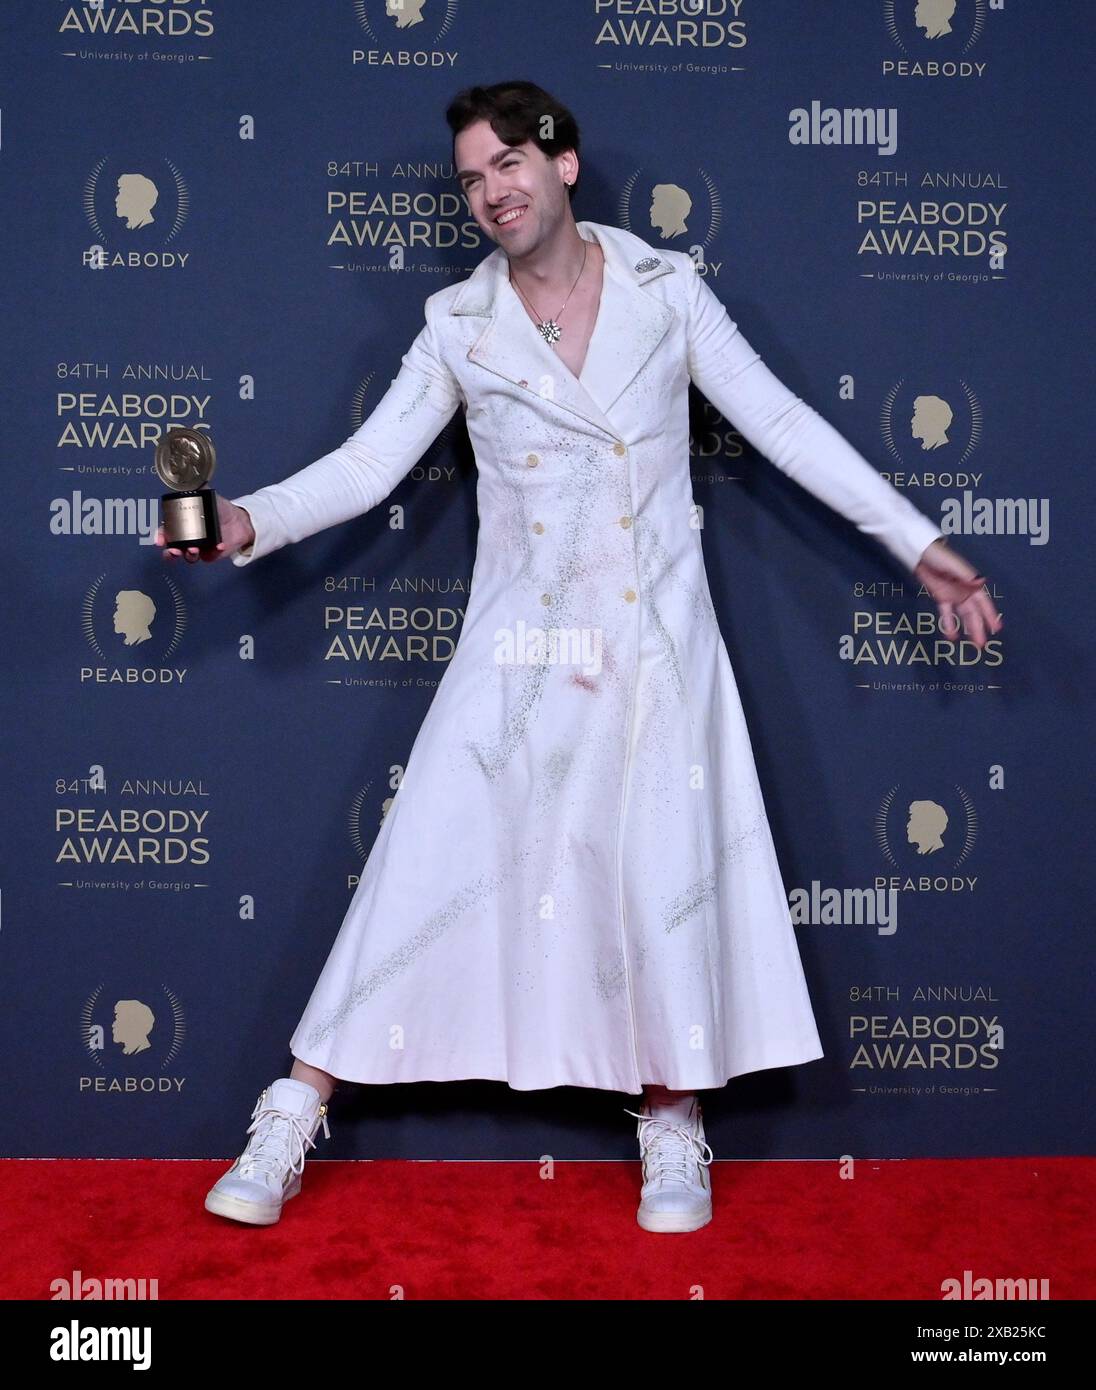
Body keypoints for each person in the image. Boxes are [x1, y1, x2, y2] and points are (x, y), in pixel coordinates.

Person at [158, 81, 1002, 1235]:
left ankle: (671, 1125)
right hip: (517, 646)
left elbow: (787, 425)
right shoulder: (457, 322)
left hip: (655, 647)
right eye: (468, 178)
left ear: (562, 163)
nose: (490, 191)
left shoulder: (667, 290)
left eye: (507, 163)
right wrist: (245, 518)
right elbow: (365, 468)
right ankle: (295, 1110)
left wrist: (920, 546)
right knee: (420, 866)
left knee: (663, 875)